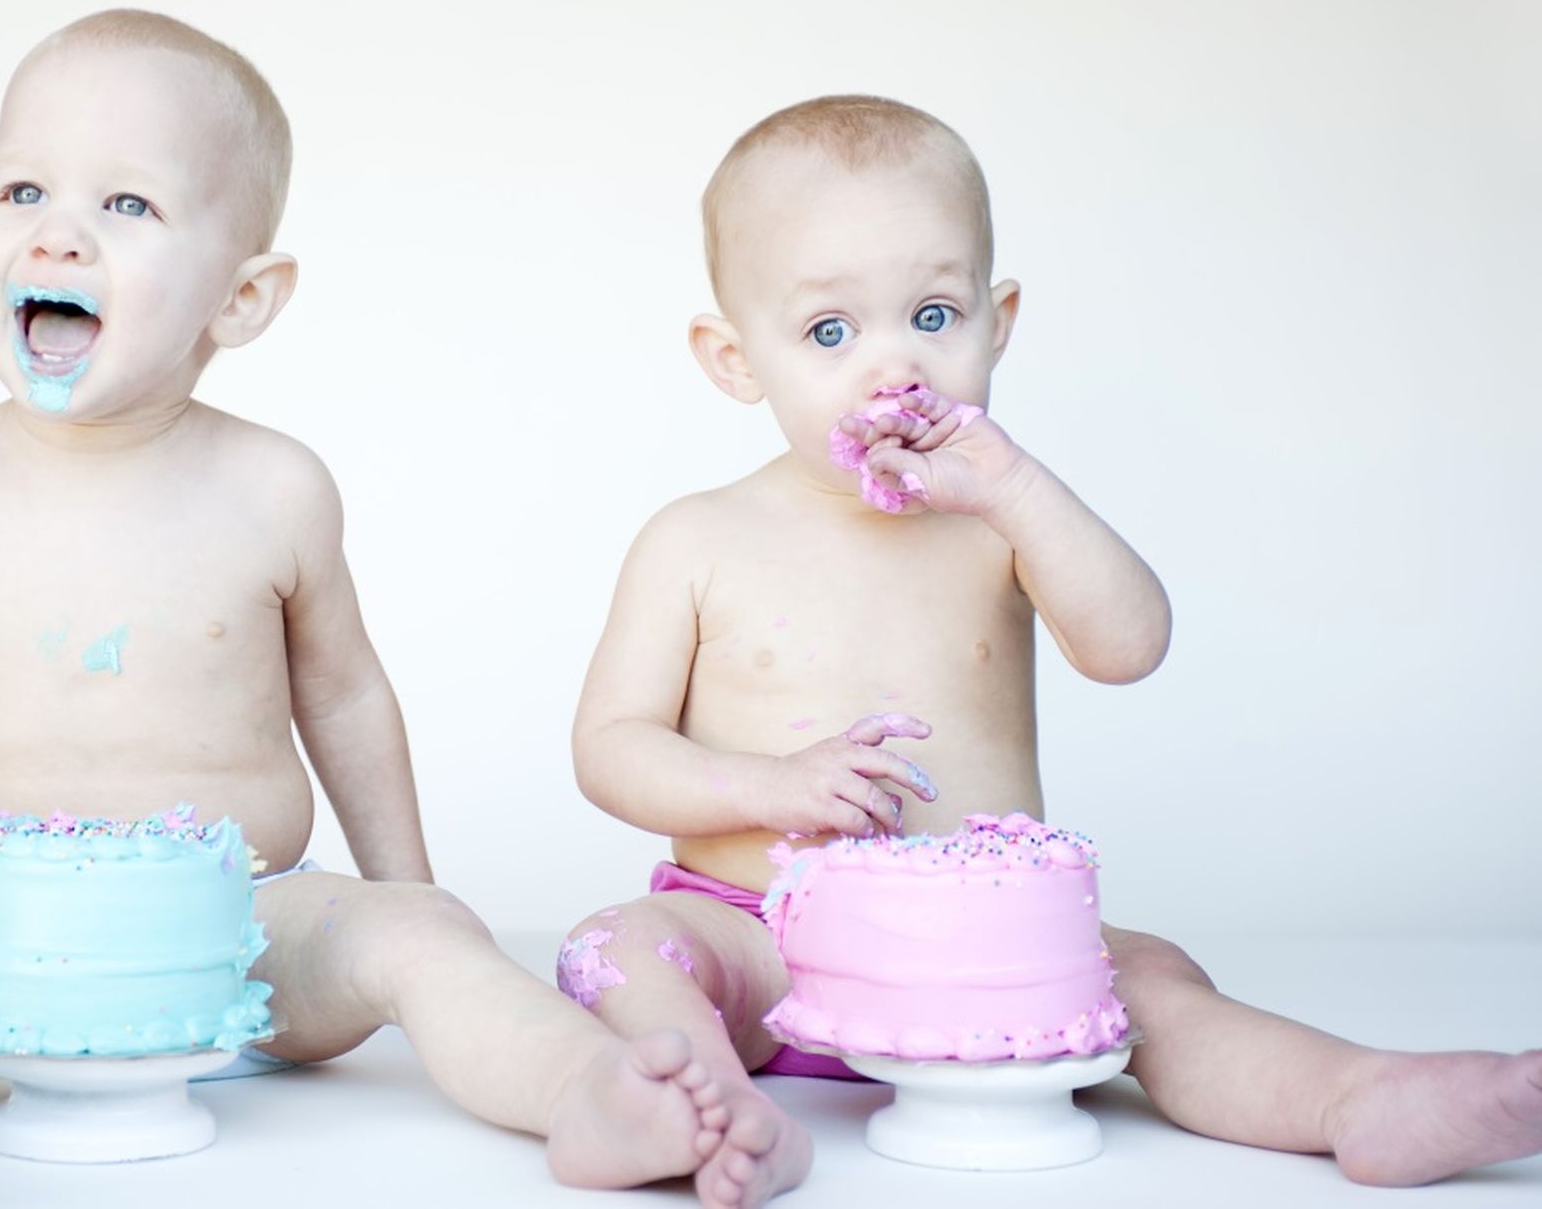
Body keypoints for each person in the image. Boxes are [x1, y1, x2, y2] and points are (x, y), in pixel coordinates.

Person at [0, 9, 730, 1206]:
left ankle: (587, 1096)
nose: (58, 232)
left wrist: (409, 886)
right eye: (22, 190)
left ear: (241, 298)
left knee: (416, 938)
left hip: (241, 935)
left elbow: (344, 695)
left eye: (127, 203)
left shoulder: (272, 487)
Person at [558, 94, 1542, 1207]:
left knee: (1153, 978)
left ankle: (1354, 1097)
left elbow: (1131, 645)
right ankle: (707, 1107)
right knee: (620, 946)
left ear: (998, 321)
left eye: (933, 314)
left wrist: (1018, 492)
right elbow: (611, 747)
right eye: (830, 331)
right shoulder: (696, 539)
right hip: (757, 938)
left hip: (986, 950)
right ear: (735, 359)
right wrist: (768, 785)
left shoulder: (999, 522)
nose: (894, 364)